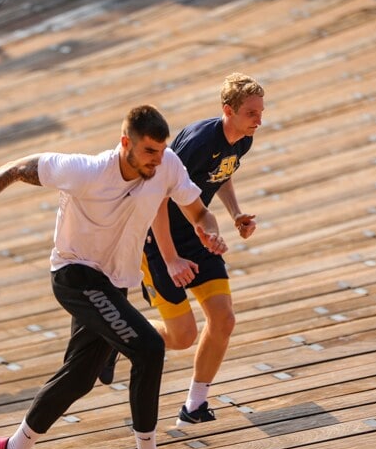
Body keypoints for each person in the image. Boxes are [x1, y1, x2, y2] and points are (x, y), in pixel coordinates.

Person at [0, 105, 227, 449]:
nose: (157, 160)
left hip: (115, 284)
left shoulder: (168, 166)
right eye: (149, 152)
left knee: (80, 377)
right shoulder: (85, 171)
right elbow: (16, 168)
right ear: (126, 144)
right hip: (76, 275)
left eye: (160, 150)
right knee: (148, 348)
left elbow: (198, 211)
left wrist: (209, 231)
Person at [103, 73, 263, 428]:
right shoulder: (199, 142)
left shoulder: (242, 139)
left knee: (224, 319)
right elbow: (159, 194)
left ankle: (195, 405)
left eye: (260, 111)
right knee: (182, 337)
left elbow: (220, 174)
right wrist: (171, 257)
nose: (259, 119)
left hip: (196, 232)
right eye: (252, 113)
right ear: (228, 111)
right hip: (158, 240)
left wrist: (235, 214)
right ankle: (115, 336)